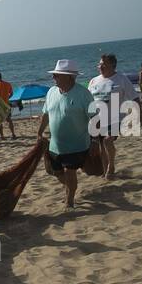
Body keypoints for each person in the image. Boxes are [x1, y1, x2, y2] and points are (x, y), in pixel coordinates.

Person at [36, 60, 94, 210]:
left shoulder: (84, 94)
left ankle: (70, 199)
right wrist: (39, 132)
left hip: (78, 144)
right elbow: (46, 114)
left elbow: (94, 118)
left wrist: (96, 140)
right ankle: (71, 186)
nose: (53, 77)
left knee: (69, 170)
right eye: (54, 75)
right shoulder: (51, 92)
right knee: (54, 171)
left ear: (69, 77)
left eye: (57, 75)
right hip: (56, 145)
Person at [87, 53, 135, 179]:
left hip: (116, 118)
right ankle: (105, 170)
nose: (100, 66)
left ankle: (111, 165)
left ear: (112, 65)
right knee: (102, 145)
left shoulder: (121, 79)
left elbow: (135, 98)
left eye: (103, 64)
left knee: (108, 140)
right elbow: (89, 101)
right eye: (99, 64)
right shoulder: (93, 81)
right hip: (98, 119)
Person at [0, 72, 17, 139]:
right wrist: (7, 98)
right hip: (7, 104)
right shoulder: (8, 84)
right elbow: (11, 93)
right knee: (9, 120)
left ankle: (2, 136)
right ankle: (13, 134)